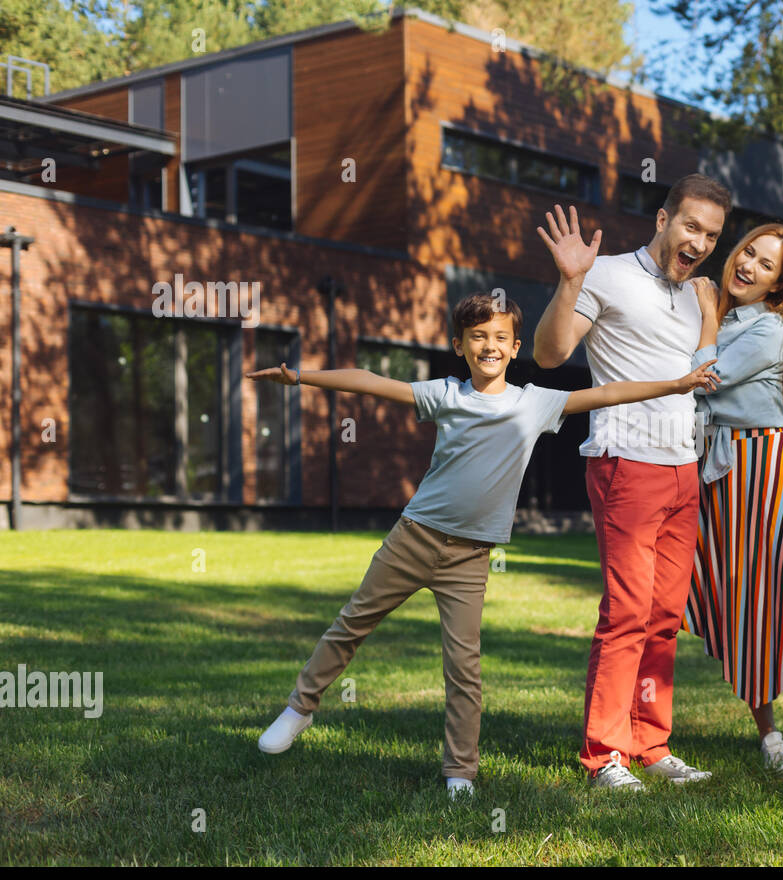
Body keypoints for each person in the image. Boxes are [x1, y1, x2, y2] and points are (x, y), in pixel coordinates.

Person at [252, 292, 718, 798]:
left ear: (515, 347)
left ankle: (460, 772)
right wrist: (299, 377)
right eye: (477, 336)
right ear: (459, 345)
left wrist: (677, 384)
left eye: (499, 337)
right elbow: (372, 383)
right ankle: (300, 709)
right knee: (351, 624)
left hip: (470, 558)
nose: (489, 345)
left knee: (464, 668)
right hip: (413, 538)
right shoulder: (446, 394)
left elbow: (607, 395)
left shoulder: (533, 401)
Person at [533, 175, 783, 789]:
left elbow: (710, 380)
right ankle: (605, 752)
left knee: (664, 616)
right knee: (627, 611)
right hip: (625, 460)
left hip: (685, 467)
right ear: (663, 219)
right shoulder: (604, 274)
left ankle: (650, 744)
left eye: (712, 235)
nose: (700, 242)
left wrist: (769, 418)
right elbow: (551, 355)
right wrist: (570, 280)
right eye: (691, 226)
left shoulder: (701, 295)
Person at [684, 224, 783, 786]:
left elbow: (705, 379)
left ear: (781, 289)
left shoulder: (770, 328)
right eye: (749, 251)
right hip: (721, 478)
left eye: (767, 266)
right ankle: (769, 736)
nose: (749, 265)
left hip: (771, 476)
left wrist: (707, 316)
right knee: (740, 604)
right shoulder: (707, 307)